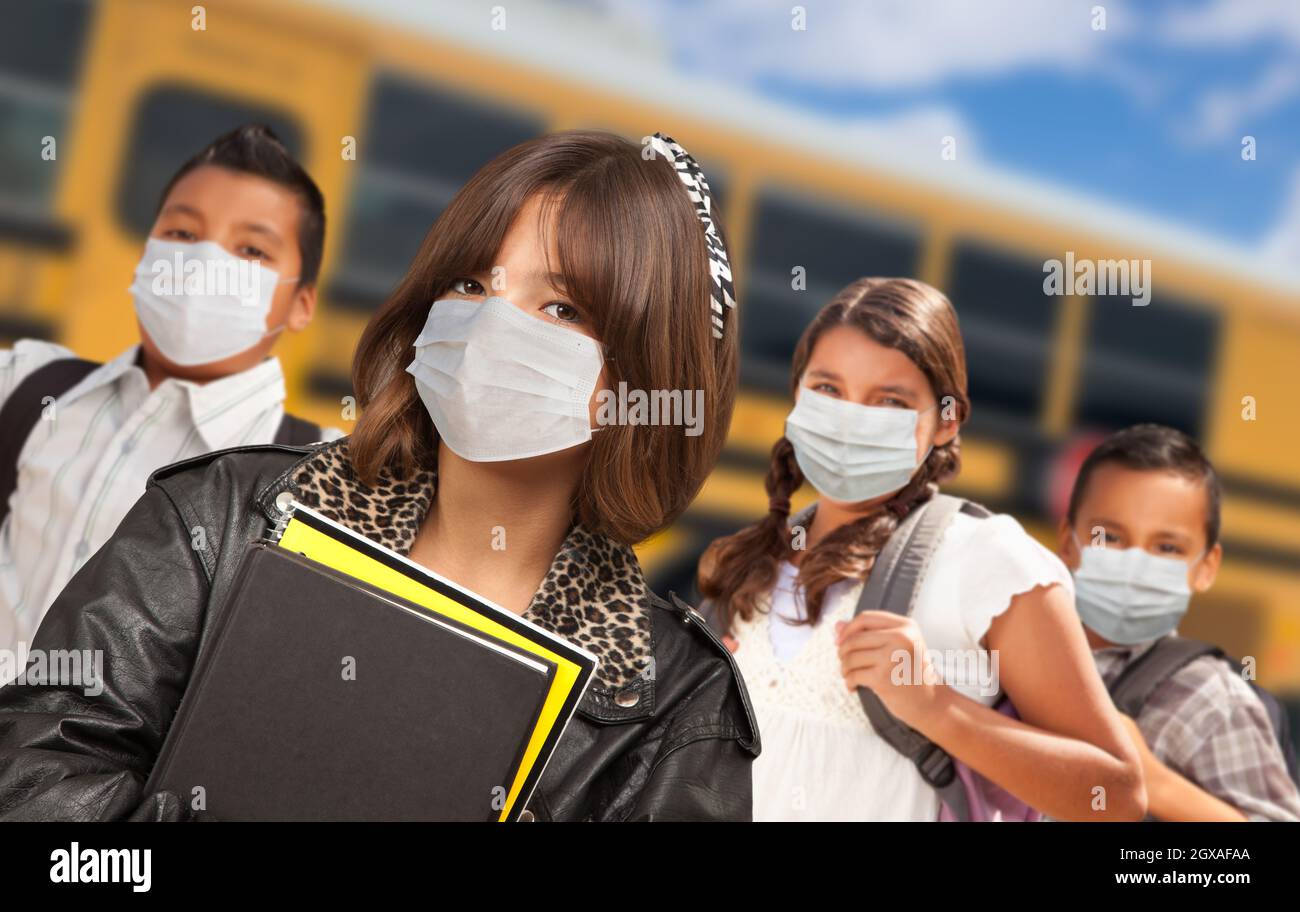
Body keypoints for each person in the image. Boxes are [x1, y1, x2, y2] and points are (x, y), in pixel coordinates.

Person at [0, 129, 757, 821]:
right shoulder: (217, 517)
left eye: (561, 307)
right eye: (470, 284)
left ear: (648, 371)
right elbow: (35, 776)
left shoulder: (680, 707)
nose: (492, 323)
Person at [698, 276, 1146, 821]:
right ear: (797, 395)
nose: (851, 417)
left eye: (890, 400)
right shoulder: (753, 565)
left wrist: (936, 707)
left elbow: (1117, 797)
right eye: (828, 389)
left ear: (946, 421)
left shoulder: (988, 558)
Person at [0, 124, 340, 672]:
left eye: (252, 249)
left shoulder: (323, 476)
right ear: (147, 255)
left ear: (302, 304)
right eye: (182, 234)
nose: (205, 263)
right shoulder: (26, 383)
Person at [1058, 423, 1300, 821]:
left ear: (1206, 567)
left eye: (1167, 547)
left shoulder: (1212, 698)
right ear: (1069, 541)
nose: (1135, 562)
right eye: (1111, 537)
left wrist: (1154, 783)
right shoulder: (1016, 653)